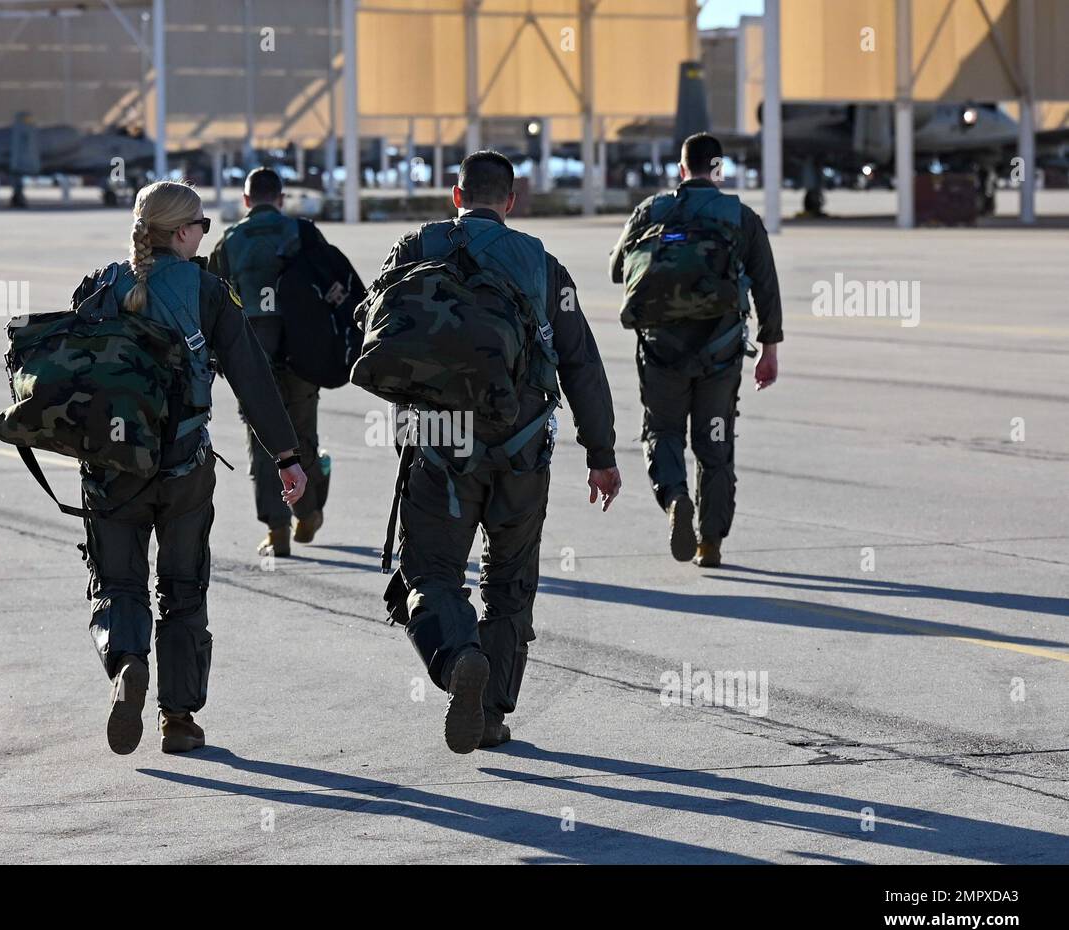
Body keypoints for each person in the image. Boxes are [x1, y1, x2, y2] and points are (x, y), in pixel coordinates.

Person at [359, 150, 621, 753]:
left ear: (456, 195)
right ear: (510, 201)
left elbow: (371, 331)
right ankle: (495, 713)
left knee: (430, 570)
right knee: (509, 580)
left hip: (440, 441)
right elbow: (581, 362)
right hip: (523, 444)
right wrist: (601, 453)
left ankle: (458, 663)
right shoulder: (541, 264)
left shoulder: (414, 247)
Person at [71, 180, 307, 756]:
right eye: (201, 224)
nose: (206, 233)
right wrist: (287, 455)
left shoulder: (101, 286)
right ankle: (178, 719)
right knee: (182, 590)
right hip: (184, 468)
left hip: (112, 469)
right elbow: (253, 378)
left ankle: (128, 662)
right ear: (181, 232)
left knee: (119, 584)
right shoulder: (207, 291)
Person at [610, 132, 783, 568]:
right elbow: (767, 287)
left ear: (681, 170)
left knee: (663, 433)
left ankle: (674, 499)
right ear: (718, 169)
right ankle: (710, 542)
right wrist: (770, 350)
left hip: (660, 351)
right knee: (715, 445)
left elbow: (618, 270)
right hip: (720, 355)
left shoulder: (651, 210)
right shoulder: (741, 218)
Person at [208, 167, 332, 557]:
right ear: (281, 199)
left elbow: (213, 303)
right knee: (302, 436)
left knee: (265, 443)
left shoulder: (229, 242)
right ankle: (307, 513)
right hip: (301, 355)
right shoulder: (301, 233)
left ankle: (278, 532)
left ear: (246, 200)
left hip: (249, 360)